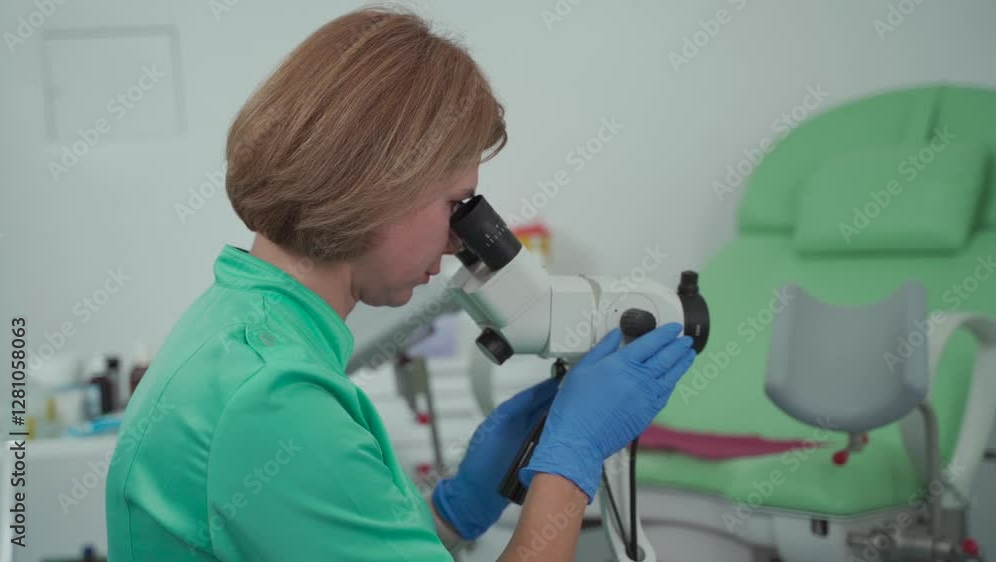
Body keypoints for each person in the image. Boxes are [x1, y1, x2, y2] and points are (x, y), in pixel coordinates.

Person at [104, 6, 697, 561]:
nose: (459, 238)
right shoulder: (272, 402)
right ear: (380, 188)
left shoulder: (237, 328)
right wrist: (572, 461)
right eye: (457, 203)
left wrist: (452, 511)